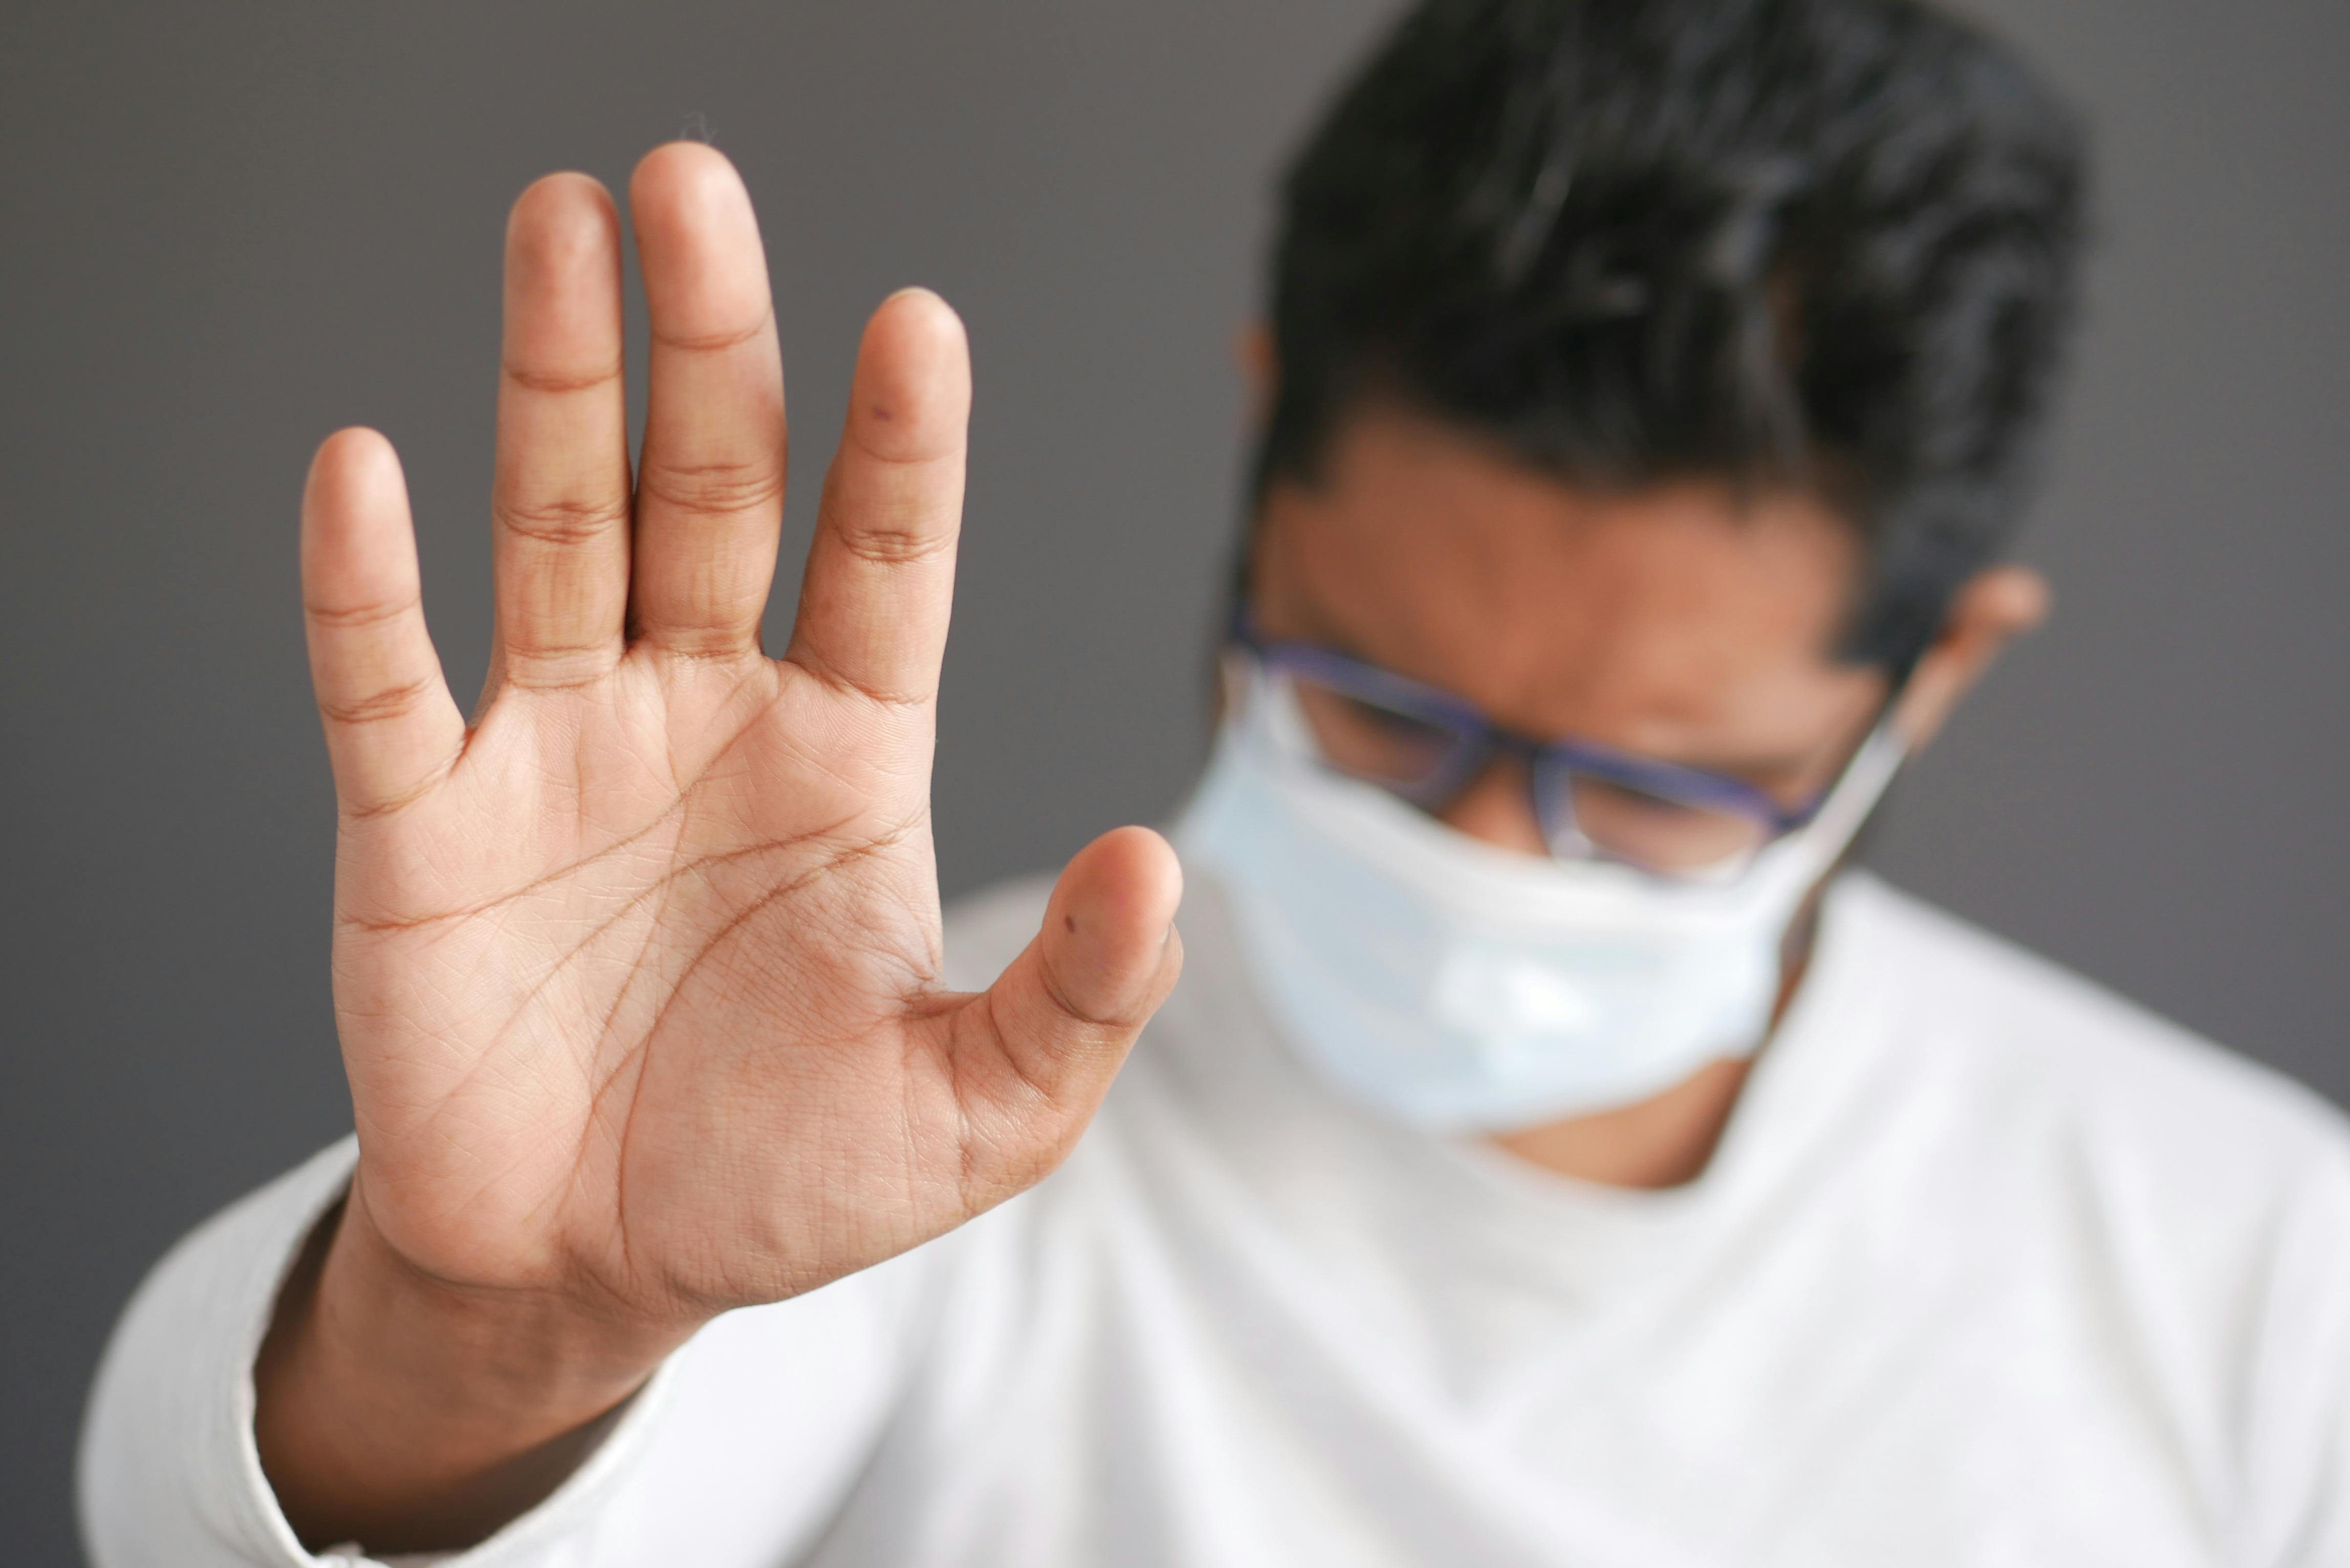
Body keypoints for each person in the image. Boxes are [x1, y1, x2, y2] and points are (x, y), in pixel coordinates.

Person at [78, 0, 2350, 1562]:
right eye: (1379, 706)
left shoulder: (2261, 1279)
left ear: (1935, 670)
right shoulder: (860, 1137)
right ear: (1265, 466)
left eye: (1661, 791)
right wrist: (515, 1323)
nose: (1487, 859)